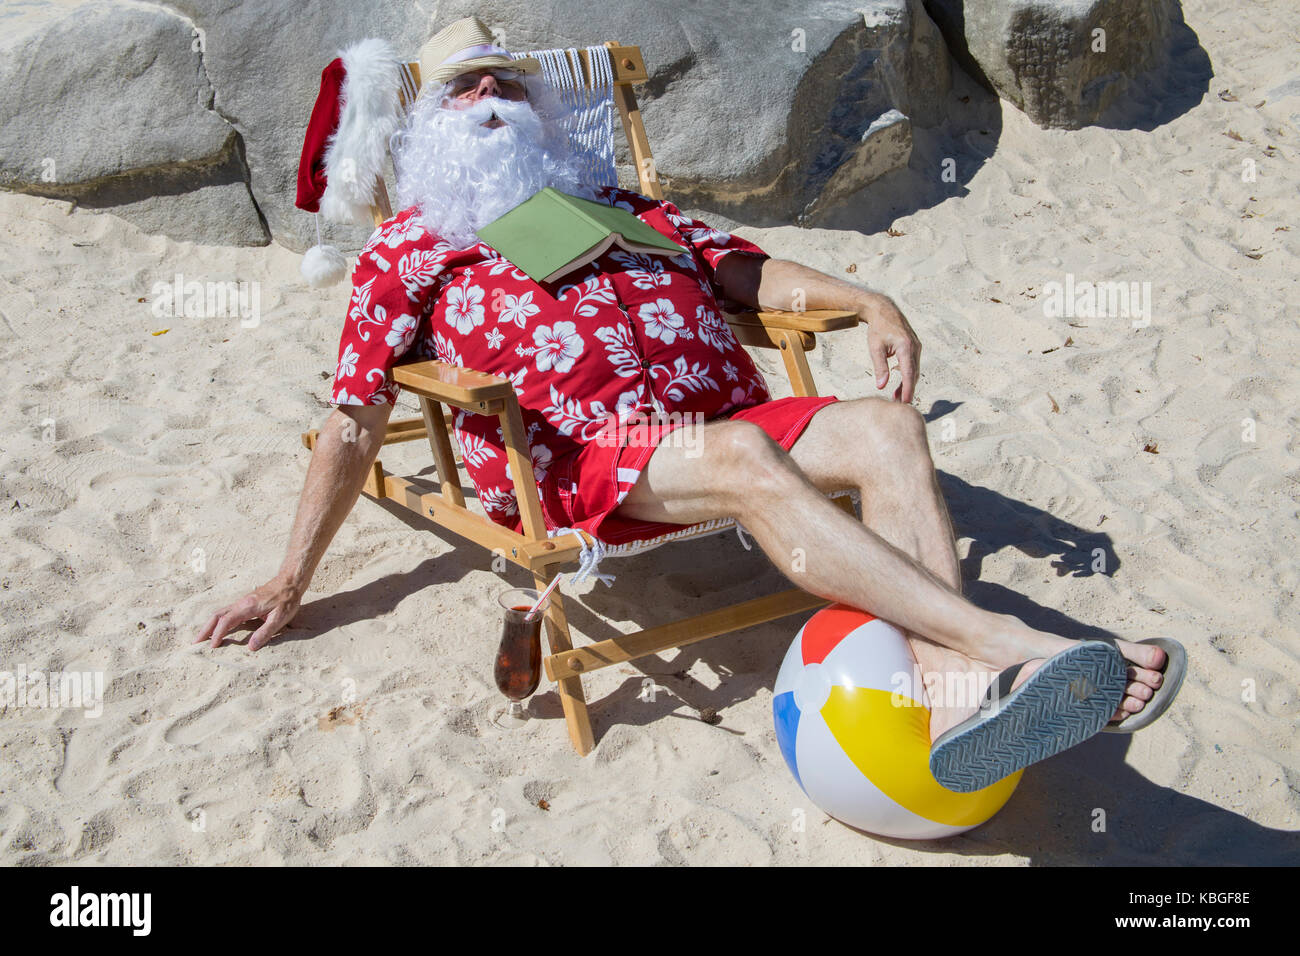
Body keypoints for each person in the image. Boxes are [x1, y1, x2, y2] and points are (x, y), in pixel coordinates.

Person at [196, 16, 1182, 789]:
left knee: (885, 425)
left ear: (539, 109)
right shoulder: (412, 246)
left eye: (505, 81)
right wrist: (289, 578)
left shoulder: (618, 208)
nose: (488, 94)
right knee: (746, 463)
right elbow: (356, 415)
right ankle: (1011, 643)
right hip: (587, 459)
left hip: (721, 418)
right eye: (463, 89)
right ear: (431, 124)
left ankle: (960, 687)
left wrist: (866, 299)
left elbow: (745, 277)